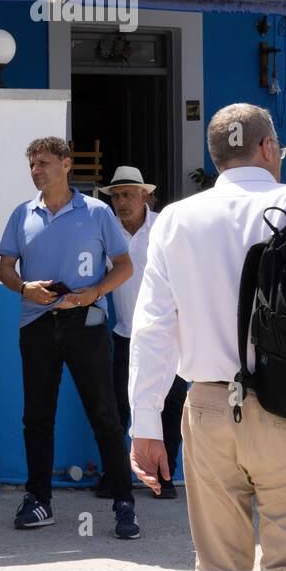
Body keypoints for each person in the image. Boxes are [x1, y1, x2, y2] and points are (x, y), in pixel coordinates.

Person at [130, 104, 286, 570]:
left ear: (216, 156)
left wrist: (145, 424)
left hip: (208, 409)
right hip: (283, 406)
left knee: (218, 564)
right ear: (267, 146)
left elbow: (153, 327)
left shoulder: (175, 221)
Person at [0, 136, 140, 539]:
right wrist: (25, 288)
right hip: (37, 325)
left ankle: (124, 504)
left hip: (87, 324)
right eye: (32, 165)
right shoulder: (21, 214)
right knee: (37, 418)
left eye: (43, 163)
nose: (36, 171)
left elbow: (124, 266)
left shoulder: (96, 212)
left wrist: (93, 293)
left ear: (65, 164)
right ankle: (38, 499)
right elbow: (5, 268)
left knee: (105, 416)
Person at [97, 166, 186, 500]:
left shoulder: (165, 226)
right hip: (125, 335)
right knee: (119, 406)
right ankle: (116, 476)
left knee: (171, 405)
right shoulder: (106, 232)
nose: (121, 202)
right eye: (116, 196)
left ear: (145, 194)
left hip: (168, 336)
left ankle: (163, 478)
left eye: (128, 194)